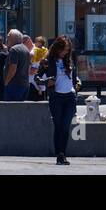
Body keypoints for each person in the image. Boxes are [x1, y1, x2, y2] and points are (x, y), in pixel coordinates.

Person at [37, 35, 80, 165]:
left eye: (67, 50)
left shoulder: (70, 60)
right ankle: (59, 154)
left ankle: (63, 154)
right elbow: (36, 78)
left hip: (70, 96)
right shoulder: (47, 61)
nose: (65, 52)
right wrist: (46, 81)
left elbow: (75, 77)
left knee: (66, 127)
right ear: (57, 49)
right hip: (56, 96)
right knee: (58, 126)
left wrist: (78, 83)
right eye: (63, 50)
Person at [3, 29, 32, 102]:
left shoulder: (14, 49)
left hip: (14, 85)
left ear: (13, 38)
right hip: (24, 84)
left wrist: (6, 82)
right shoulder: (25, 49)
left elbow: (13, 69)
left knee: (10, 110)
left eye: (8, 36)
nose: (6, 39)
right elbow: (29, 68)